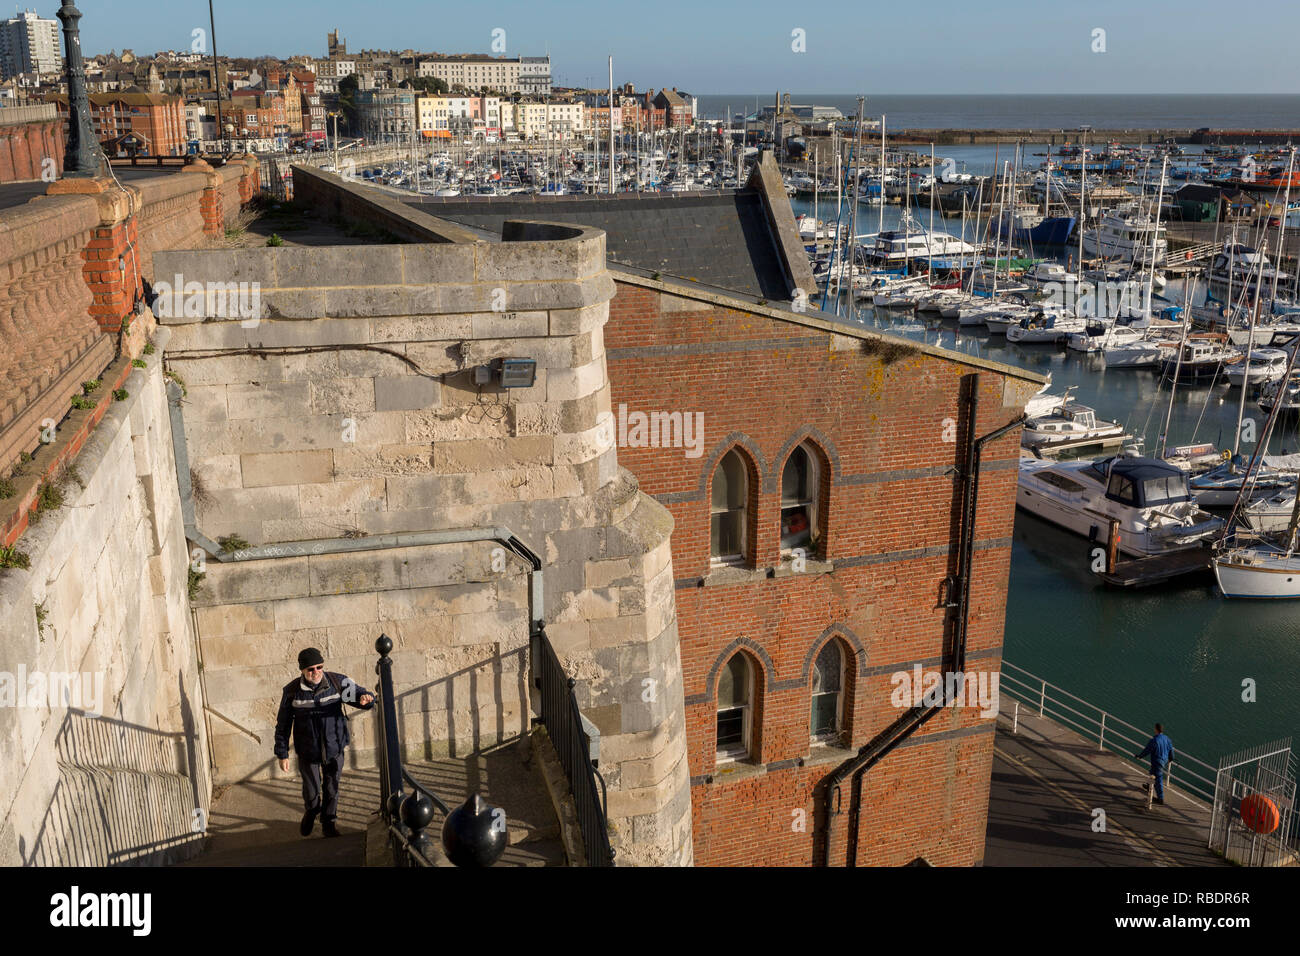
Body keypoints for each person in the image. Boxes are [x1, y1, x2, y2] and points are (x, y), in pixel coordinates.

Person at [274, 648, 374, 837]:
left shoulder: (337, 682)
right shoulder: (292, 692)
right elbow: (283, 725)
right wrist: (282, 753)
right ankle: (311, 812)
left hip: (334, 746)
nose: (316, 672)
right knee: (312, 792)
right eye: (311, 669)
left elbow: (362, 696)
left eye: (319, 667)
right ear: (302, 670)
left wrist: (366, 699)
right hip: (308, 751)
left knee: (331, 788)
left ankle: (329, 824)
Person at [1135, 723, 1175, 805]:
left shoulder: (1154, 740)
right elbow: (1171, 749)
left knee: (1158, 780)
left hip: (1157, 761)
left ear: (1156, 729)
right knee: (1153, 772)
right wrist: (1171, 758)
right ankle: (1149, 786)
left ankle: (1160, 799)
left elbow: (1147, 750)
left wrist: (1139, 756)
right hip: (1164, 760)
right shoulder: (1167, 738)